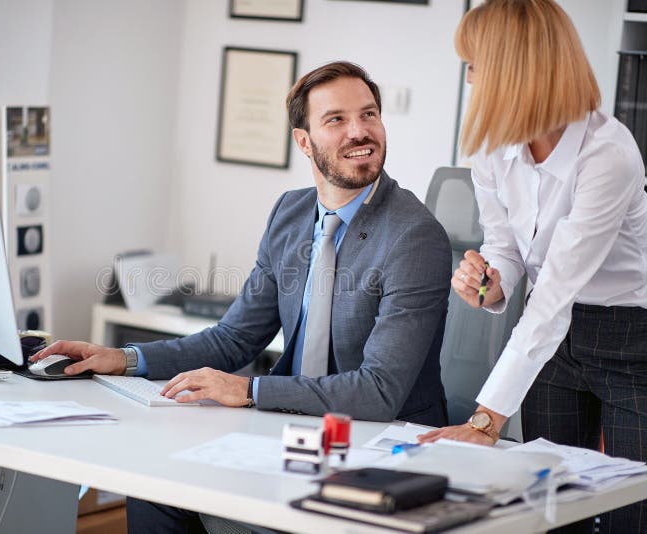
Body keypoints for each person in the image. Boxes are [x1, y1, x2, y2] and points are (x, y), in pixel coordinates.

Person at [33, 61, 452, 532]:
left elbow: (378, 391)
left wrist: (248, 391)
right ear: (304, 140)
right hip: (291, 430)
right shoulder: (291, 212)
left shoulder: (413, 235)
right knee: (153, 485)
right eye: (336, 119)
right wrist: (124, 358)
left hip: (378, 442)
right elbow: (235, 338)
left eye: (369, 114)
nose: (360, 131)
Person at [418, 1, 647, 532]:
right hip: (551, 346)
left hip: (629, 339)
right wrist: (489, 281)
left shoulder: (607, 153)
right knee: (550, 507)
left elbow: (556, 294)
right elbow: (507, 246)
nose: (469, 78)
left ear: (513, 72)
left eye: (475, 65)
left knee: (629, 514)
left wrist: (486, 420)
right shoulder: (494, 148)